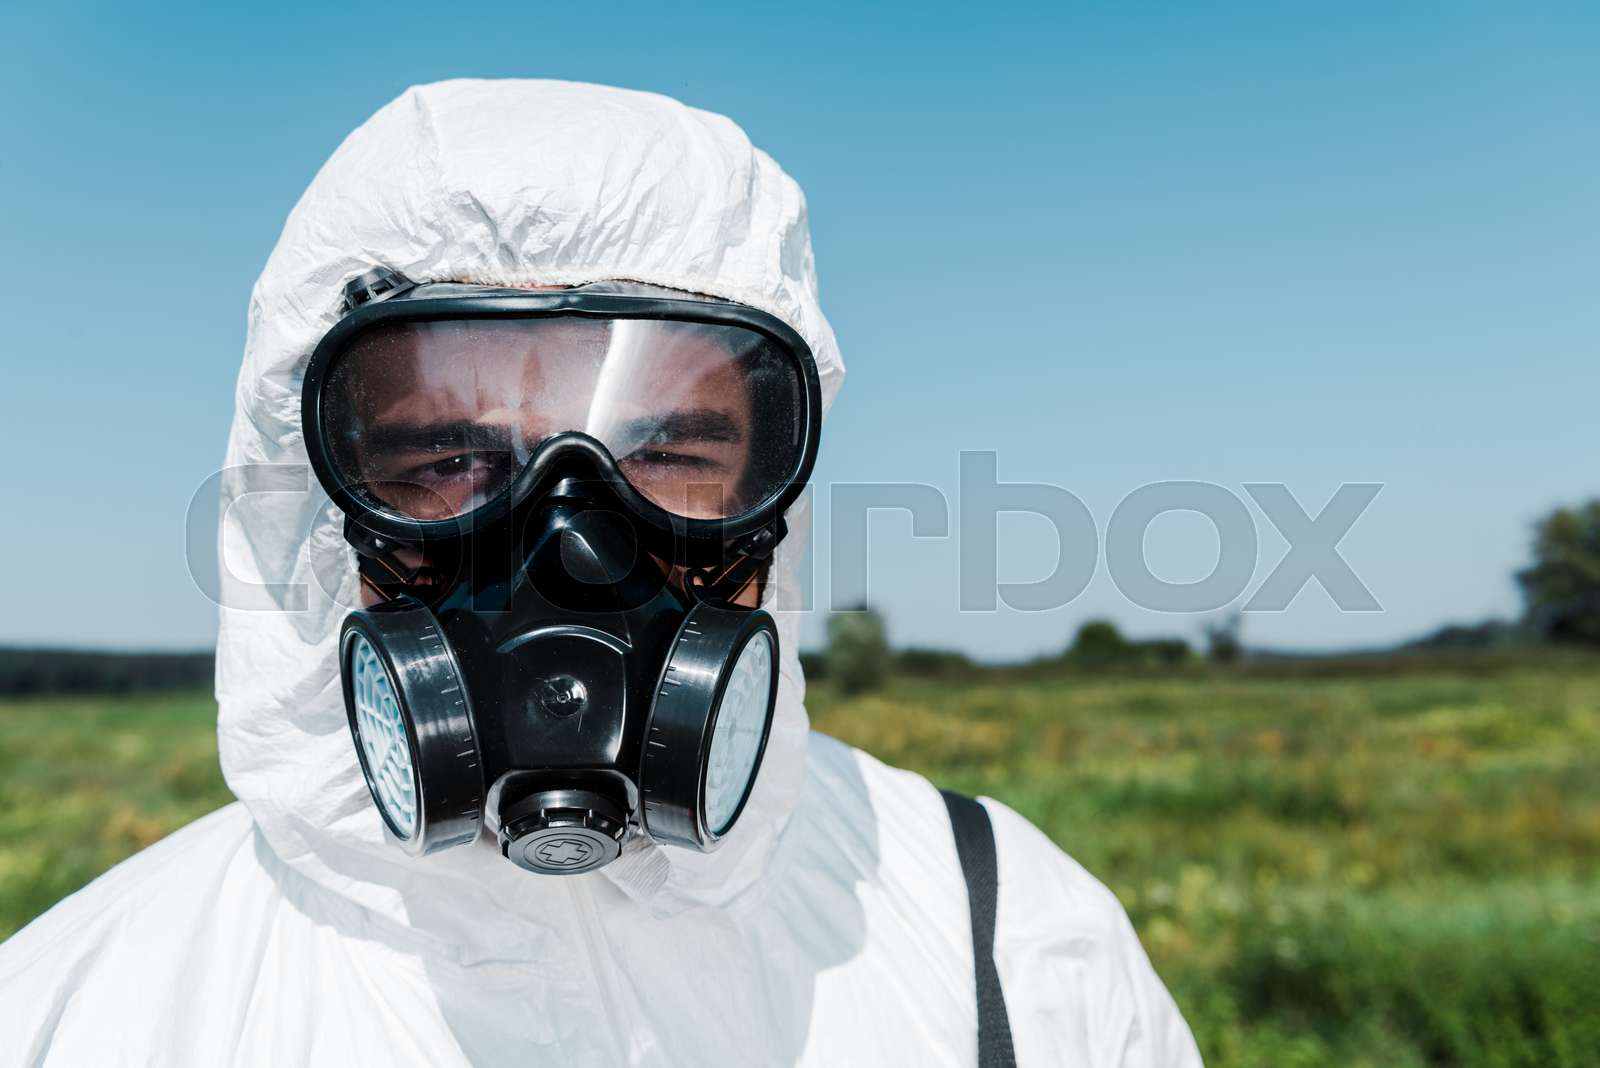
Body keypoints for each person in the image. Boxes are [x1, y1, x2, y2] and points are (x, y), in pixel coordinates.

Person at [0, 79, 1202, 1067]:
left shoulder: (1006, 942)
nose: (573, 543)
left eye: (669, 451)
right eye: (448, 458)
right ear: (319, 509)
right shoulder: (76, 1015)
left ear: (773, 488)